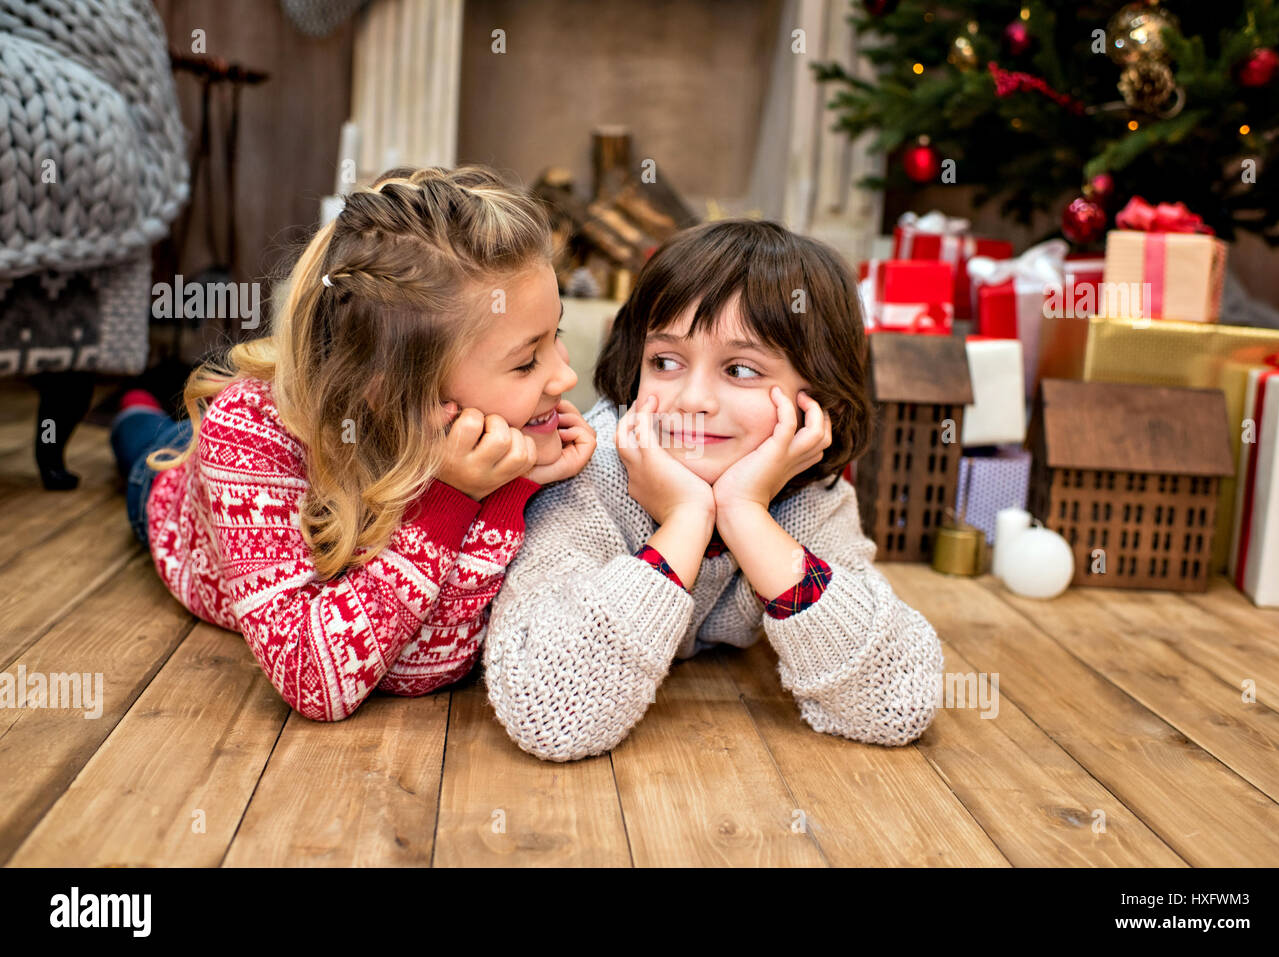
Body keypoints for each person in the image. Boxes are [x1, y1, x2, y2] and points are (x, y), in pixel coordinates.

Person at [109, 165, 595, 722]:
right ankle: (131, 402)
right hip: (173, 498)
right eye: (527, 360)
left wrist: (514, 484)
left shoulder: (488, 444)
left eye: (555, 337)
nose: (565, 378)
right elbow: (317, 679)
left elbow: (431, 663)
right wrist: (456, 502)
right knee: (140, 440)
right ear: (393, 388)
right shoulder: (246, 434)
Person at [483, 218, 944, 761]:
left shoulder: (809, 497)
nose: (692, 399)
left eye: (742, 370)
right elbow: (552, 715)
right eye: (666, 362)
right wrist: (685, 520)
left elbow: (900, 701)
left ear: (819, 400)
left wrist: (746, 513)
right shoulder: (588, 471)